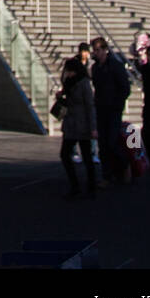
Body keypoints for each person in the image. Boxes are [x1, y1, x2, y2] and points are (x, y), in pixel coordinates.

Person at [90, 36, 130, 183]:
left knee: (112, 142)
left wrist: (118, 103)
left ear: (105, 50)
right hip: (101, 109)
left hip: (113, 109)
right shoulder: (95, 68)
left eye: (98, 50)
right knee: (103, 144)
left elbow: (125, 87)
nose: (96, 53)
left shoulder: (115, 66)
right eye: (94, 50)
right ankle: (107, 175)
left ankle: (124, 165)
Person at [59, 57, 97, 198]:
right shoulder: (69, 83)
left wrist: (93, 127)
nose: (67, 74)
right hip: (71, 123)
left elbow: (89, 105)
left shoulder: (83, 83)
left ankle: (90, 184)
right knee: (66, 154)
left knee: (86, 155)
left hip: (82, 123)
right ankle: (76, 184)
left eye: (69, 71)